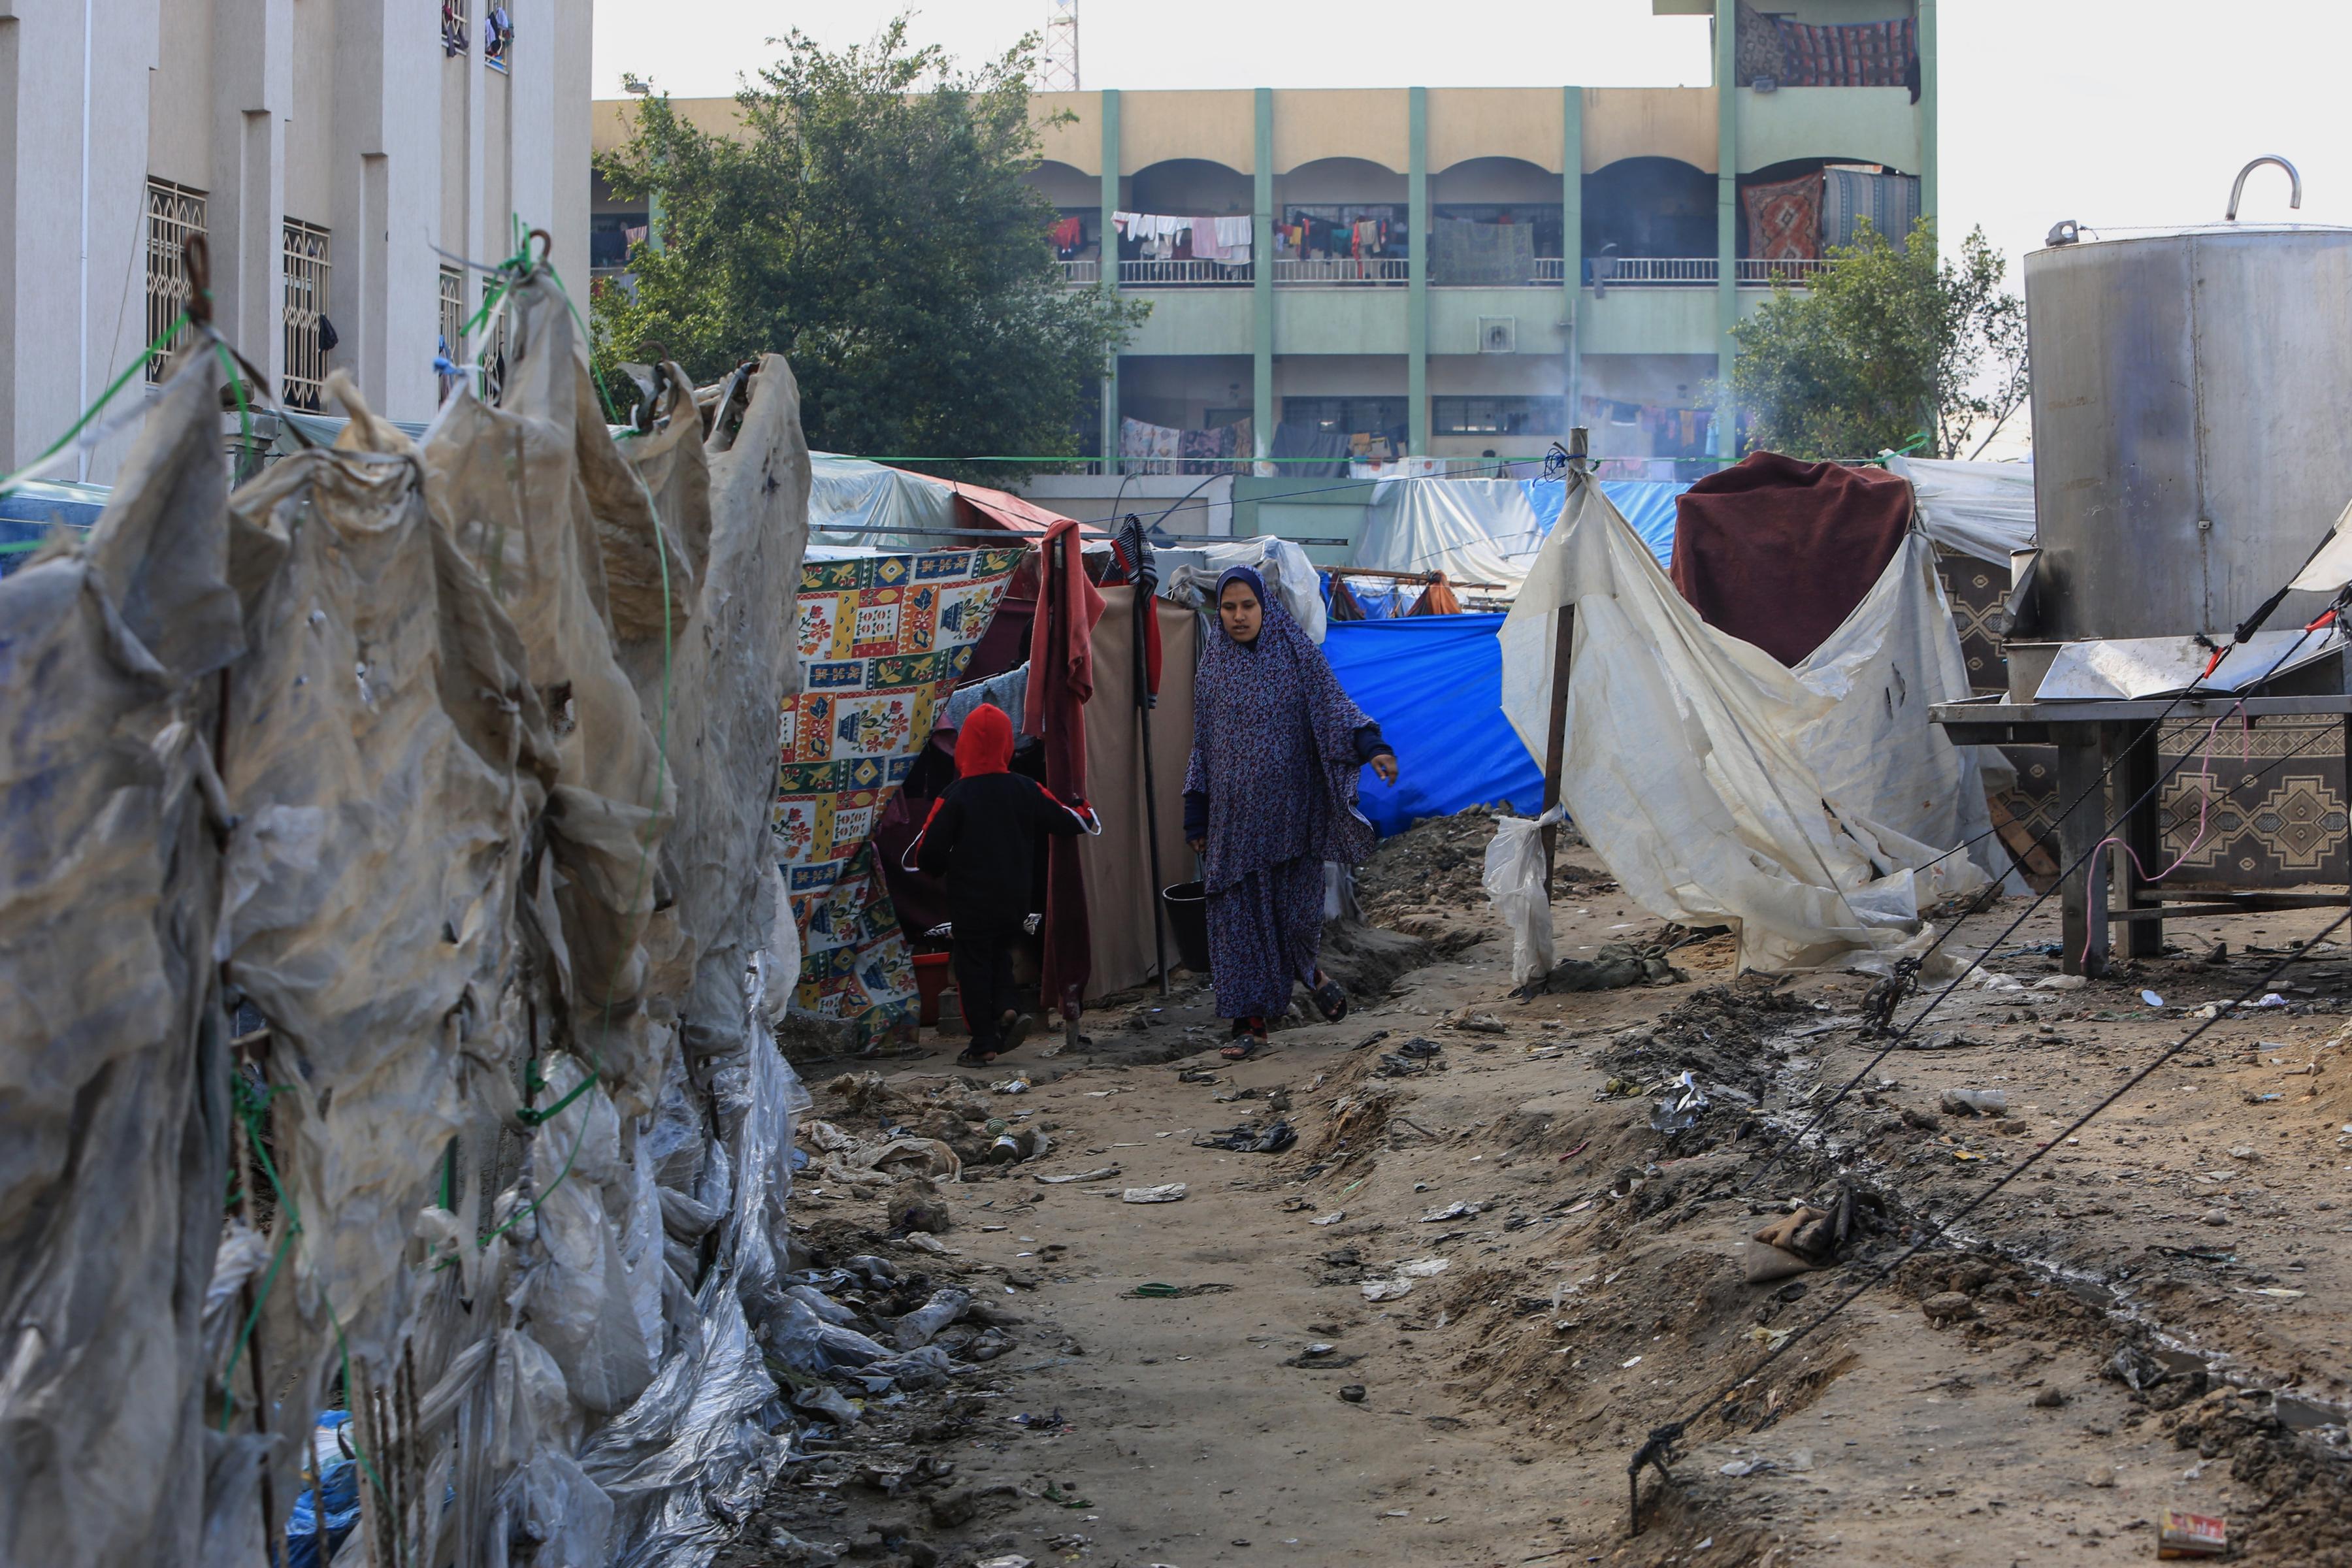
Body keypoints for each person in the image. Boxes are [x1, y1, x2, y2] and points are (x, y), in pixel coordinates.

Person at [1183, 566, 1399, 1059]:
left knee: (1294, 919)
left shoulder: (1297, 656)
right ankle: (1249, 1025)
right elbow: (1204, 747)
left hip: (1292, 821)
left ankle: (1310, 972)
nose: (1239, 616)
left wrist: (1374, 747)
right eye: (1229, 607)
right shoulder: (1212, 670)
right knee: (1236, 923)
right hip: (1234, 827)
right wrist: (1196, 812)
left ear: (1266, 608)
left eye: (1248, 606)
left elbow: (1336, 709)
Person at [912, 703, 1096, 1067]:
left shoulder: (955, 795)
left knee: (972, 966)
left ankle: (983, 1043)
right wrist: (1084, 808)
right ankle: (1008, 1008)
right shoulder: (1025, 788)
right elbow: (1069, 820)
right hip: (1014, 900)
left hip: (970, 901)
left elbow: (927, 852)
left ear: (964, 746)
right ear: (1006, 745)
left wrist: (940, 870)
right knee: (999, 954)